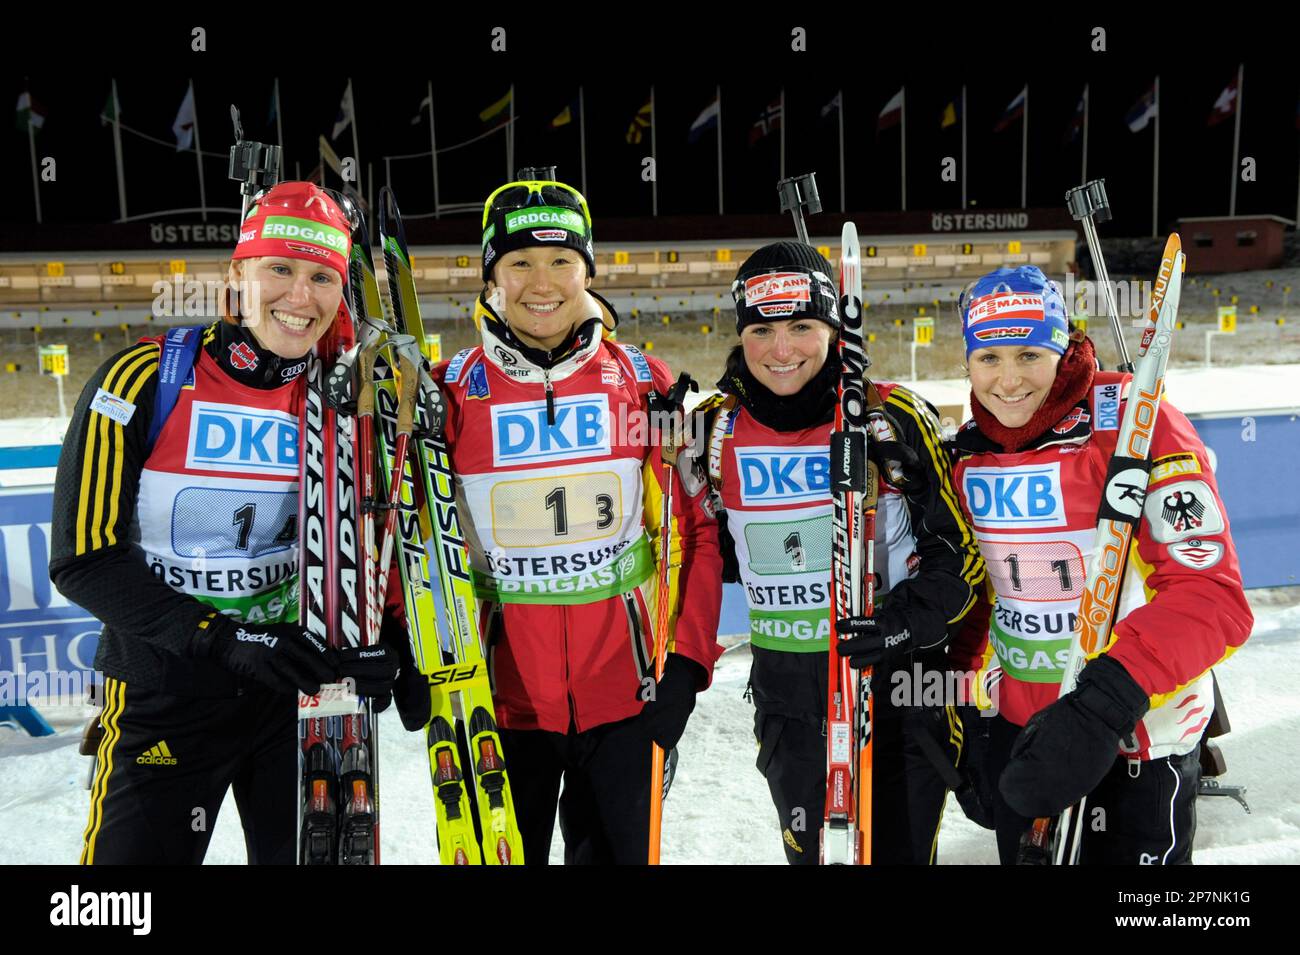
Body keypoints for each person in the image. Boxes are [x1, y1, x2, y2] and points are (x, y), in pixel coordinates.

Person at [51, 182, 398, 864]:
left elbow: (372, 534)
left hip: (296, 705)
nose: (301, 297)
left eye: (322, 276)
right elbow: (83, 557)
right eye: (281, 268)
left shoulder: (344, 399)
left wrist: (386, 647)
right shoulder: (145, 376)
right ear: (238, 272)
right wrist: (220, 636)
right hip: (166, 689)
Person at [390, 175, 723, 864]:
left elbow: (700, 528)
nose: (541, 282)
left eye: (561, 261)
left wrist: (688, 662)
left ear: (587, 268)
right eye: (519, 262)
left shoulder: (646, 383)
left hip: (628, 702)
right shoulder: (449, 395)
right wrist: (408, 647)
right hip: (496, 707)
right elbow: (409, 527)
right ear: (491, 275)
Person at [679, 241, 985, 864]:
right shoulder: (714, 426)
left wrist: (901, 626)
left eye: (802, 326)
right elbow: (705, 547)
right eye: (762, 330)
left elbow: (962, 557)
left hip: (901, 685)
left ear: (833, 328)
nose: (782, 349)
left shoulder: (888, 415)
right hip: (789, 690)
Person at [946, 265, 1253, 864]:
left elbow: (1212, 597)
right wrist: (967, 719)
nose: (1008, 381)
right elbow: (978, 599)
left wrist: (1102, 704)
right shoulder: (968, 452)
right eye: (989, 358)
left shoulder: (1138, 422)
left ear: (1062, 350)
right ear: (968, 363)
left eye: (1029, 354)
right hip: (1025, 733)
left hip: (1136, 731)